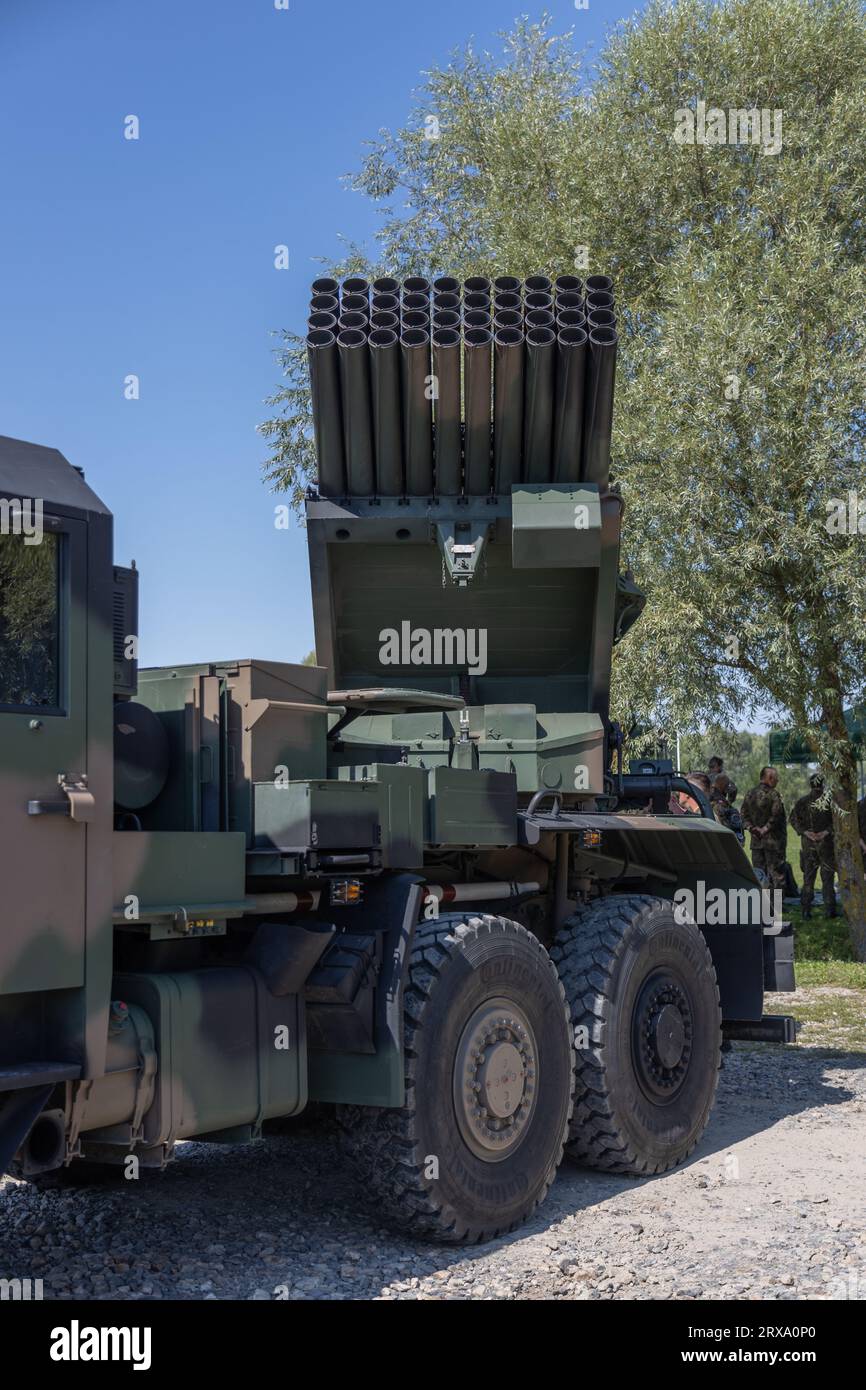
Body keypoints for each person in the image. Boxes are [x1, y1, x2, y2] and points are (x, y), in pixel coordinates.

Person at [789, 772, 836, 919]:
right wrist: (825, 832)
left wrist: (806, 832)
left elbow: (793, 819)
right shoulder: (830, 801)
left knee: (808, 878)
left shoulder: (802, 801)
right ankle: (830, 910)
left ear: (810, 784)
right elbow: (837, 822)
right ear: (823, 784)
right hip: (826, 845)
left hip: (808, 844)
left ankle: (806, 910)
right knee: (827, 878)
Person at [740, 766, 787, 890]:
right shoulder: (774, 794)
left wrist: (751, 828)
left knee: (759, 875)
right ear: (769, 778)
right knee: (776, 875)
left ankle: (762, 901)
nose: (777, 781)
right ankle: (776, 902)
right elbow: (776, 815)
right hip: (774, 843)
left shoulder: (750, 794)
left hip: (757, 842)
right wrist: (765, 829)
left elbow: (743, 815)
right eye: (776, 778)